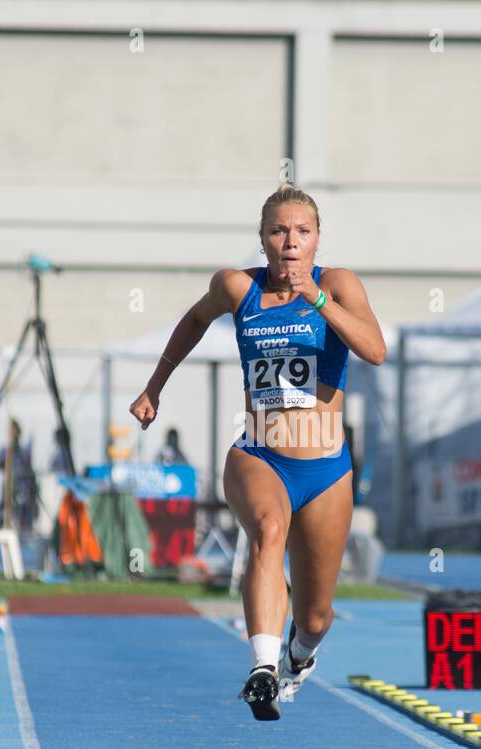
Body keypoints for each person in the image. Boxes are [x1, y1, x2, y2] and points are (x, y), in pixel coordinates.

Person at [129, 183, 386, 720]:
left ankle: (298, 652)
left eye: (302, 232)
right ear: (263, 239)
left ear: (317, 240)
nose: (290, 242)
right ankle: (262, 669)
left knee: (315, 617)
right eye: (279, 231)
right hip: (260, 454)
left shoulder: (336, 284)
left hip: (327, 467)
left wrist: (318, 301)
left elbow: (375, 350)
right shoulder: (235, 286)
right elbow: (195, 320)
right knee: (267, 530)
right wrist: (156, 386)